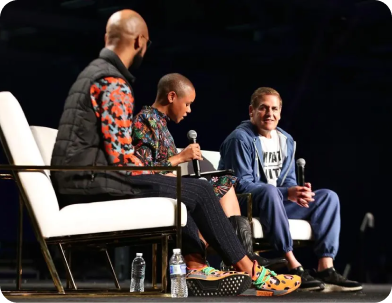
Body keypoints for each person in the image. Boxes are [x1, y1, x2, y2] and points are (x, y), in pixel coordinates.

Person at [50, 11, 301, 296]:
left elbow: (110, 147)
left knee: (190, 189)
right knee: (198, 190)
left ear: (107, 38)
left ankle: (199, 266)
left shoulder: (91, 75)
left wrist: (144, 166)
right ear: (140, 42)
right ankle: (249, 269)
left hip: (84, 177)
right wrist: (154, 167)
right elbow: (119, 157)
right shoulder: (114, 83)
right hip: (95, 180)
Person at [131, 73, 287, 270]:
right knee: (208, 186)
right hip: (152, 189)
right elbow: (141, 170)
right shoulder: (144, 121)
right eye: (187, 104)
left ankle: (243, 253)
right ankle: (240, 259)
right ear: (171, 97)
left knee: (225, 181)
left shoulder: (161, 124)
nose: (189, 110)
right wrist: (180, 157)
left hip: (173, 185)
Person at [218, 86, 363, 292]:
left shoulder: (285, 140)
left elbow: (288, 183)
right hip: (246, 205)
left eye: (274, 109)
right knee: (269, 191)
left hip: (275, 202)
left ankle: (325, 267)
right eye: (263, 108)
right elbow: (240, 183)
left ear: (280, 112)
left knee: (328, 197)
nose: (270, 114)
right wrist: (286, 193)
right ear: (251, 111)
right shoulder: (239, 139)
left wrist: (299, 192)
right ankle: (293, 265)